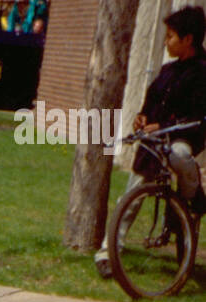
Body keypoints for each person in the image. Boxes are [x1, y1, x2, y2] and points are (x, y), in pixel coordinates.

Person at [95, 6, 206, 279]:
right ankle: (109, 253)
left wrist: (165, 126)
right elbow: (151, 100)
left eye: (170, 37)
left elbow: (197, 116)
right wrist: (142, 118)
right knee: (131, 195)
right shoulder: (168, 70)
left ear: (188, 39)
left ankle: (193, 196)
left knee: (179, 155)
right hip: (154, 143)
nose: (166, 42)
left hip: (181, 138)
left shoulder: (202, 73)